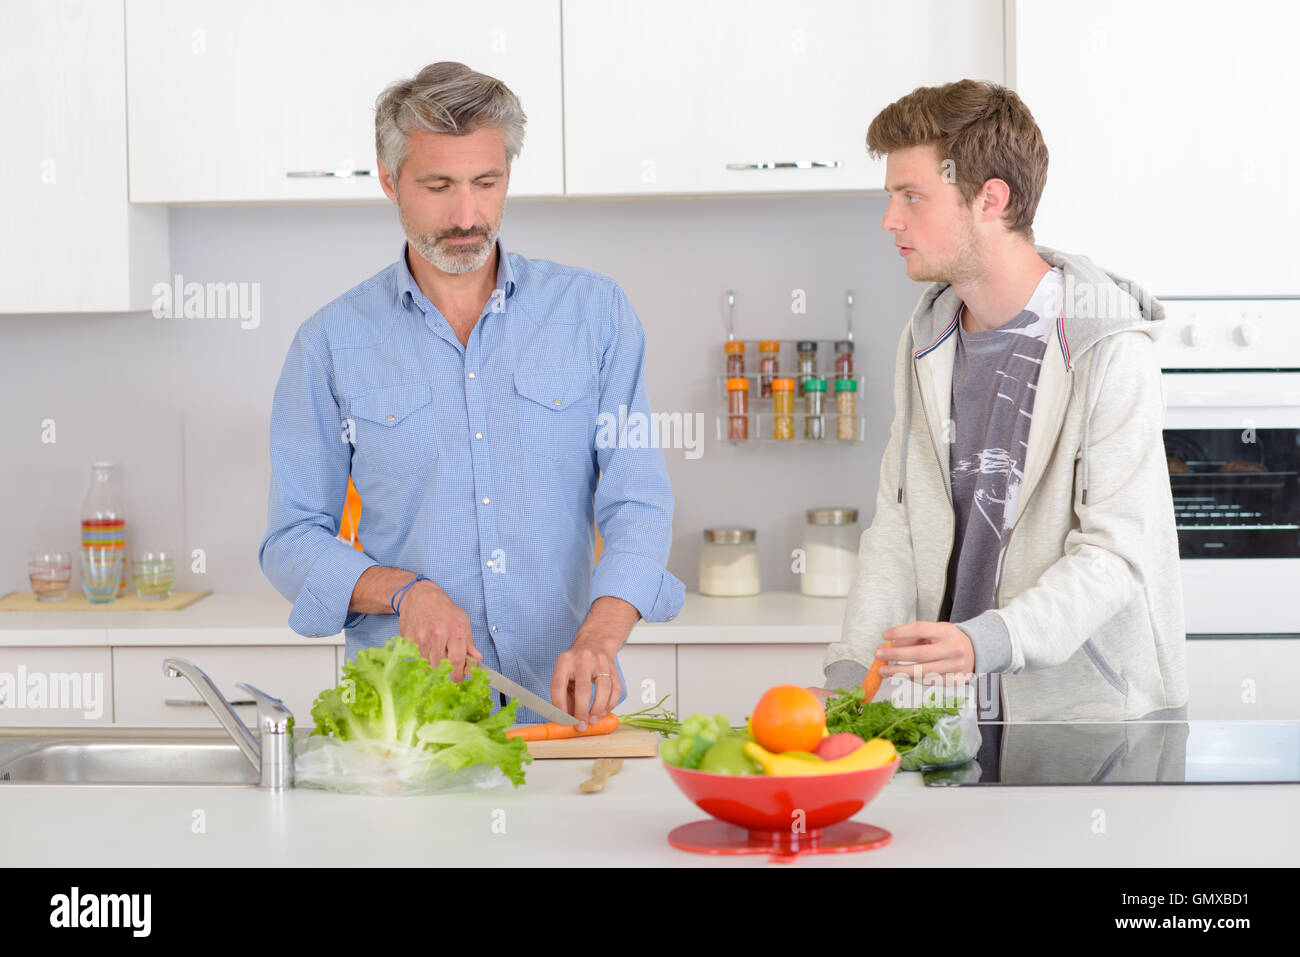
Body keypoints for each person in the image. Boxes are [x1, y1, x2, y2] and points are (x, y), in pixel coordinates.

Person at [259, 61, 684, 728]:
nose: (467, 216)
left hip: (563, 715)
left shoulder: (594, 314)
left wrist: (600, 637)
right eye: (438, 186)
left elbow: (637, 501)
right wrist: (403, 592)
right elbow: (292, 538)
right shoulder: (329, 344)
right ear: (388, 179)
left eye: (487, 183)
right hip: (409, 725)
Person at [816, 79, 1188, 723]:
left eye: (912, 196)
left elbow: (1115, 553)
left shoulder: (1107, 344)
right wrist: (851, 673)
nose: (889, 220)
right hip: (953, 714)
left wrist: (986, 641)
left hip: (1087, 721)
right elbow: (899, 525)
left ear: (990, 199)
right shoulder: (927, 337)